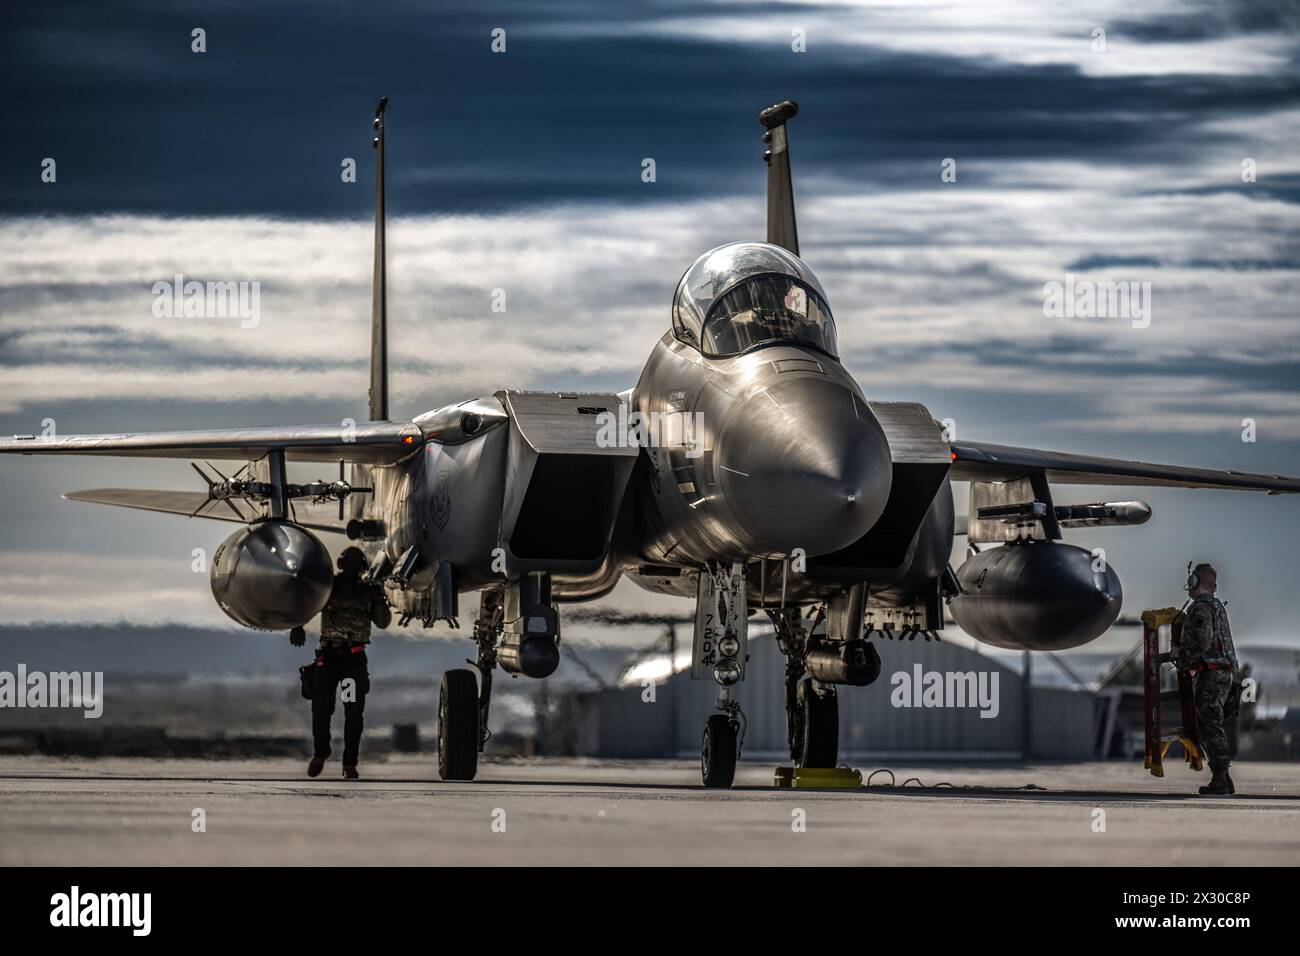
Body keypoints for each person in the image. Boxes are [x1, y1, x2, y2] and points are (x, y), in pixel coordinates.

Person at [290, 547, 391, 779]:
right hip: (329, 658)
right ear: (341, 564)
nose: (352, 568)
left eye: (357, 564)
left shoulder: (368, 591)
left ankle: (349, 763)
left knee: (353, 714)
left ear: (362, 568)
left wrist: (379, 595)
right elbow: (309, 605)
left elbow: (383, 622)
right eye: (349, 563)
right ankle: (321, 753)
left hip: (352, 662)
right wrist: (297, 626)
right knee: (321, 711)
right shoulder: (328, 587)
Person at [1177, 562, 1239, 796]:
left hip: (1211, 673)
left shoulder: (1201, 608)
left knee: (1209, 725)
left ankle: (1221, 779)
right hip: (1222, 673)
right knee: (1211, 723)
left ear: (1195, 581)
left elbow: (1201, 641)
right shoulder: (1216, 606)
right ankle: (1222, 778)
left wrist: (1180, 655)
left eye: (1191, 579)